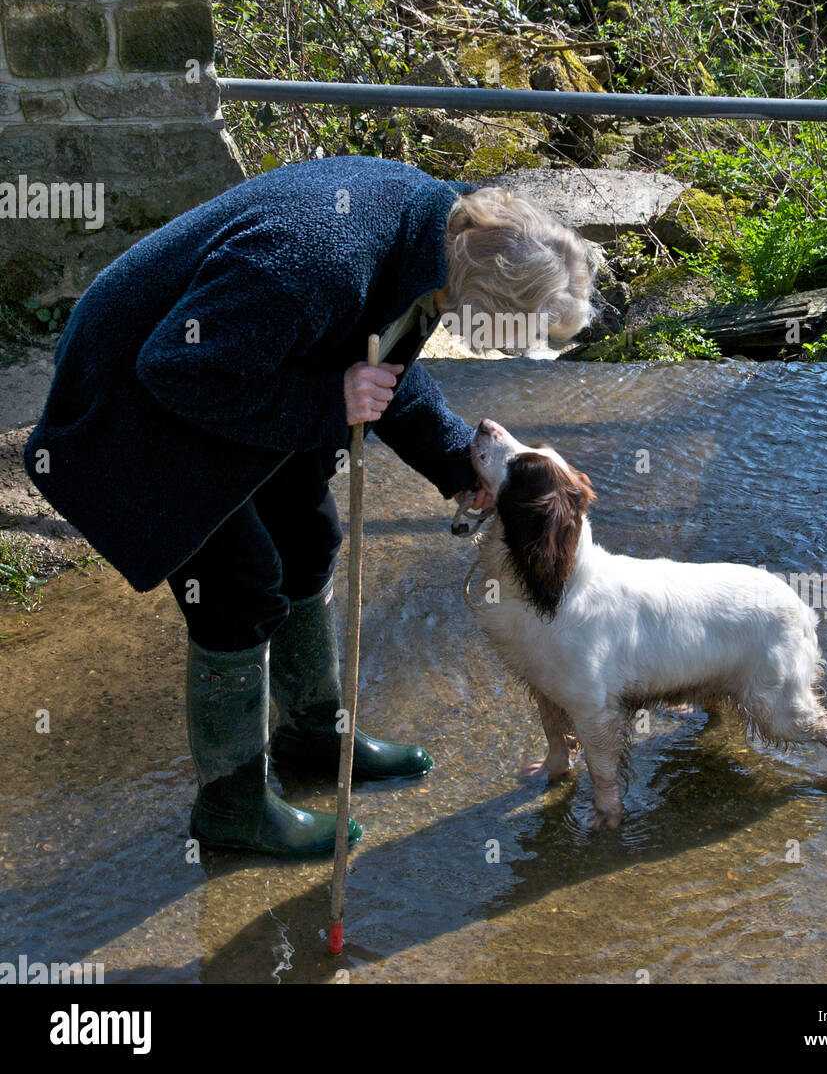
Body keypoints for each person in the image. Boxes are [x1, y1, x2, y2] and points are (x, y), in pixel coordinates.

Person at [24, 156, 598, 857]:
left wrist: (455, 461)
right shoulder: (311, 265)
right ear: (475, 303)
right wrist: (329, 401)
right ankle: (231, 807)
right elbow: (176, 367)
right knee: (238, 589)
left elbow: (383, 365)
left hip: (252, 370)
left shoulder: (435, 232)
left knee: (308, 539)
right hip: (135, 406)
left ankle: (311, 735)